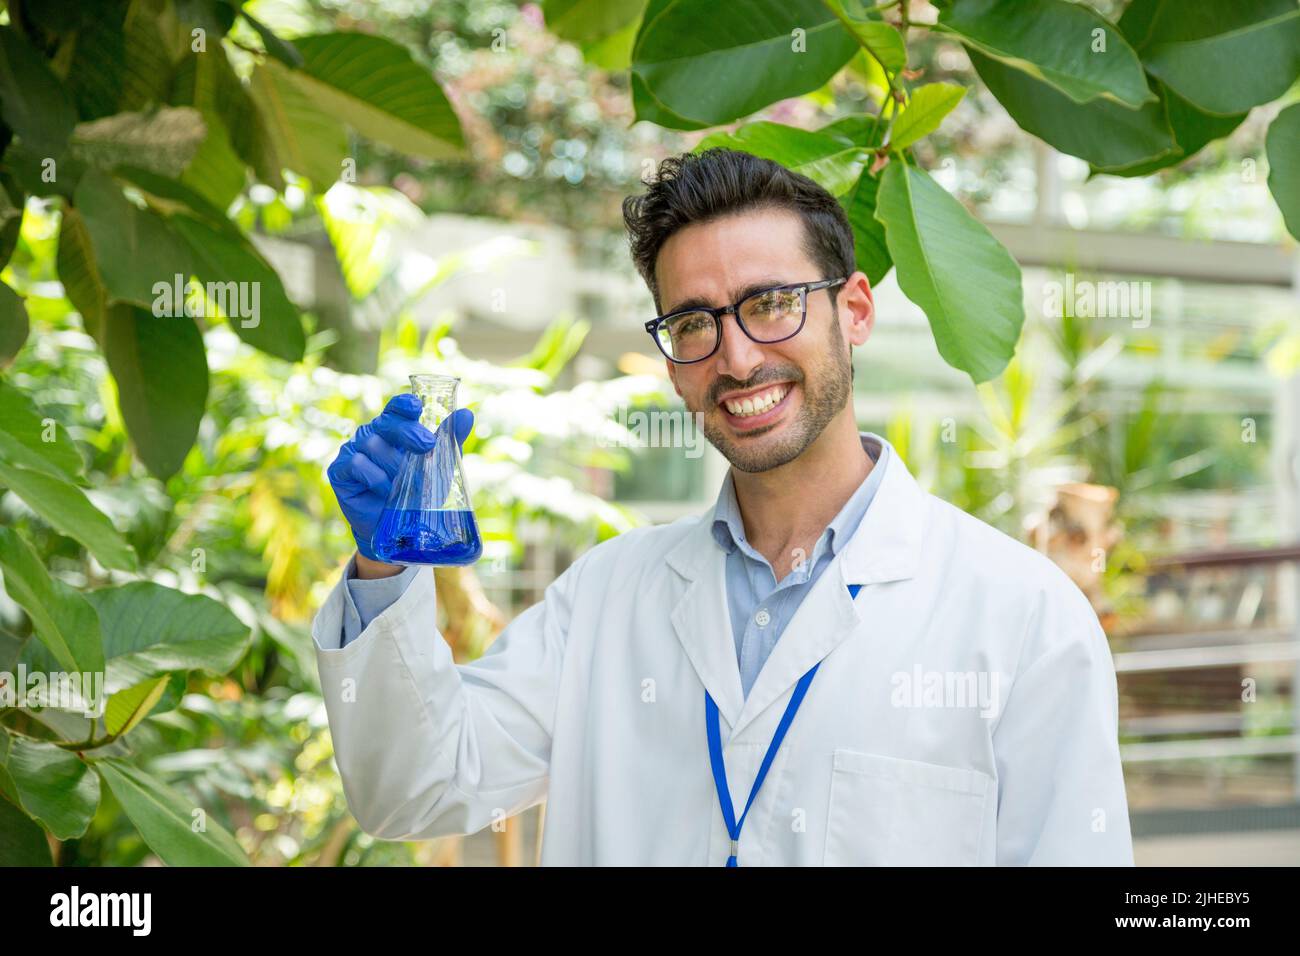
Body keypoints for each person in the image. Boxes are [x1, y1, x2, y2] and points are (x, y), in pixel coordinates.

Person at [313, 148, 1134, 866]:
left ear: (853, 310)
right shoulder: (604, 599)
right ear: (671, 362)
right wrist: (385, 565)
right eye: (693, 322)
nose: (737, 357)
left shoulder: (1023, 618)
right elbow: (416, 790)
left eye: (771, 303)